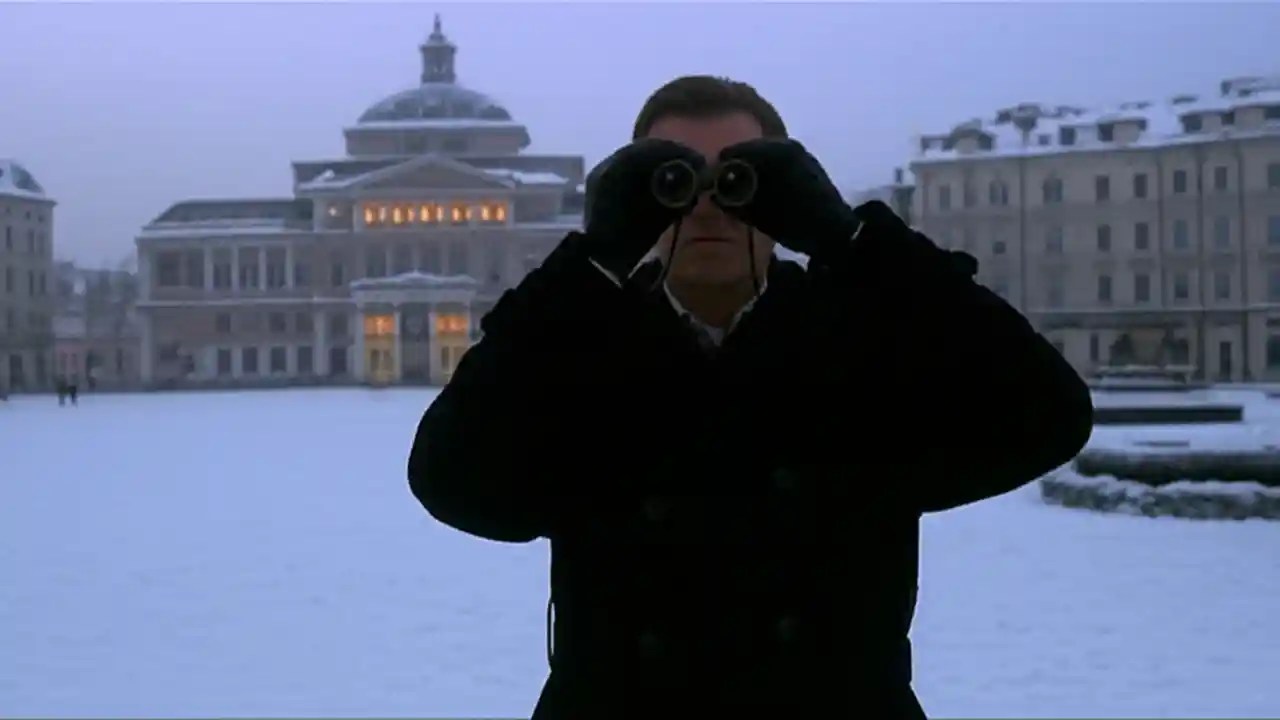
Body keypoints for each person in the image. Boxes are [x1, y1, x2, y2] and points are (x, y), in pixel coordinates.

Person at [407, 75, 1094, 719]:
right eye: (673, 178)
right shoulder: (579, 344)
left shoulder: (862, 342)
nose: (707, 202)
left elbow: (1048, 415)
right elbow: (451, 480)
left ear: (786, 188)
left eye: (740, 178)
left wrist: (853, 243)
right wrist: (588, 266)